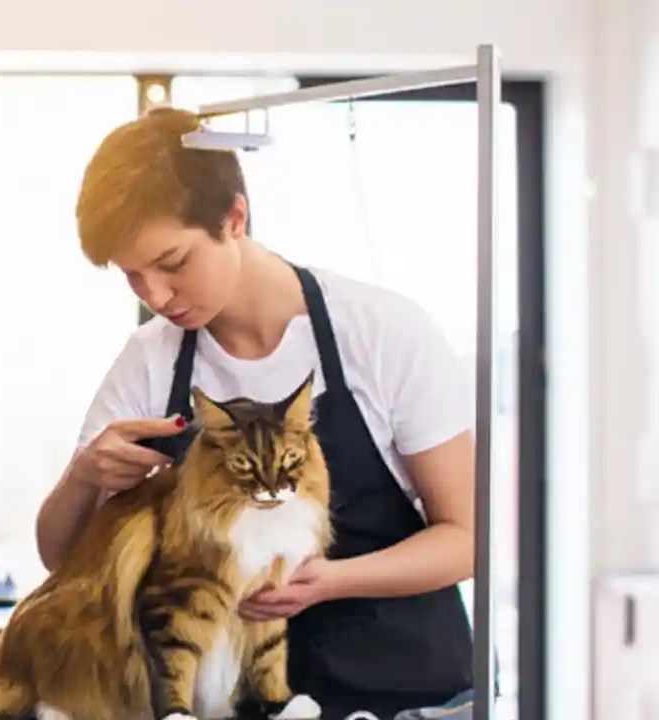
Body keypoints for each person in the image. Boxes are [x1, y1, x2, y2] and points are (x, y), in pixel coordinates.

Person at [35, 107, 476, 719]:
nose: (156, 297)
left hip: (403, 691)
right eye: (132, 278)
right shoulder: (150, 362)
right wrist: (84, 477)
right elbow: (62, 556)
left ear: (234, 218)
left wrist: (331, 579)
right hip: (241, 701)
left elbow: (468, 539)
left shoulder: (381, 333)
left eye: (172, 264)